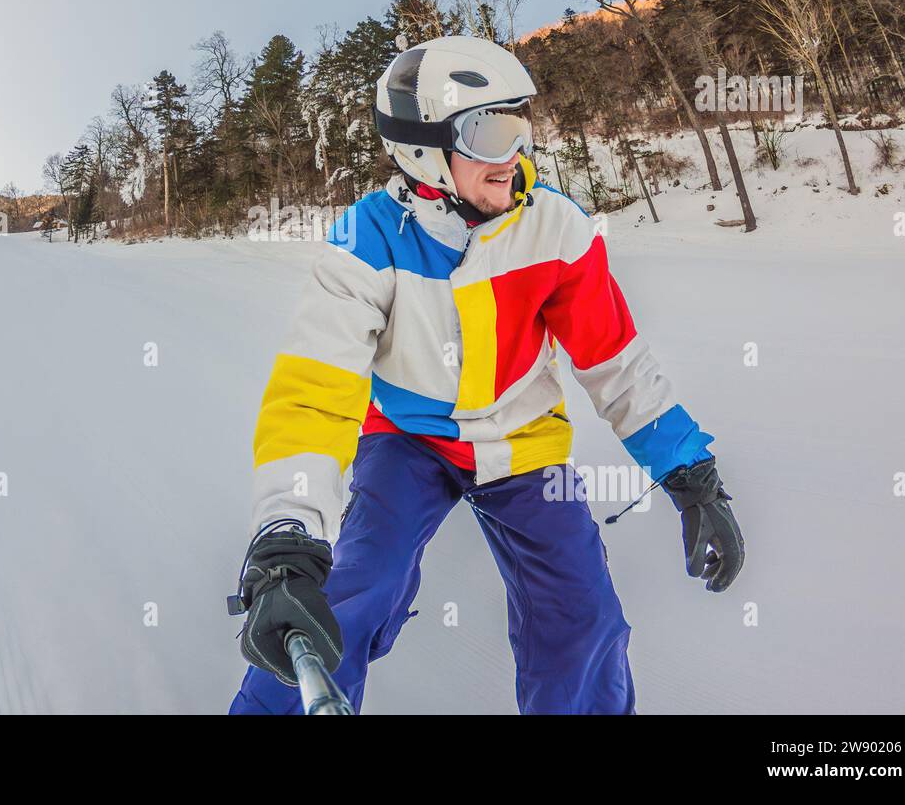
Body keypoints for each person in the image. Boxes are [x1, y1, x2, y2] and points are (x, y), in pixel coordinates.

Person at [228, 35, 744, 714]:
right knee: (347, 595)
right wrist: (288, 534)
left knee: (582, 616)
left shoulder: (555, 229)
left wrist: (691, 476)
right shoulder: (369, 239)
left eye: (520, 132)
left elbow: (614, 360)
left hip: (523, 443)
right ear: (423, 150)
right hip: (409, 440)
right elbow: (314, 394)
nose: (514, 159)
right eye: (490, 133)